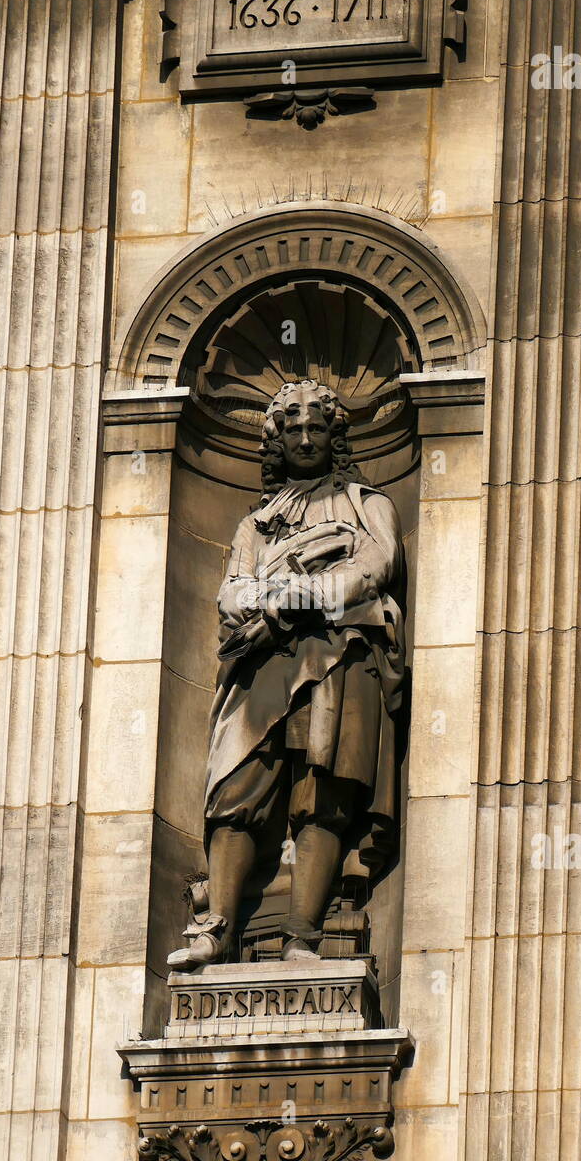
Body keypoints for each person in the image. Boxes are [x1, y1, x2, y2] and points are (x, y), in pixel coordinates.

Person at [168, 379, 406, 968]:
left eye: (316, 427)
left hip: (340, 657)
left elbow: (370, 572)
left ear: (334, 434)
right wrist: (280, 604)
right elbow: (231, 595)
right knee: (236, 782)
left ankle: (303, 935)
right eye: (292, 428)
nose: (304, 437)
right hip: (263, 665)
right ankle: (215, 929)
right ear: (276, 439)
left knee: (322, 786)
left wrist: (279, 606)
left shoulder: (367, 505)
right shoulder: (256, 523)